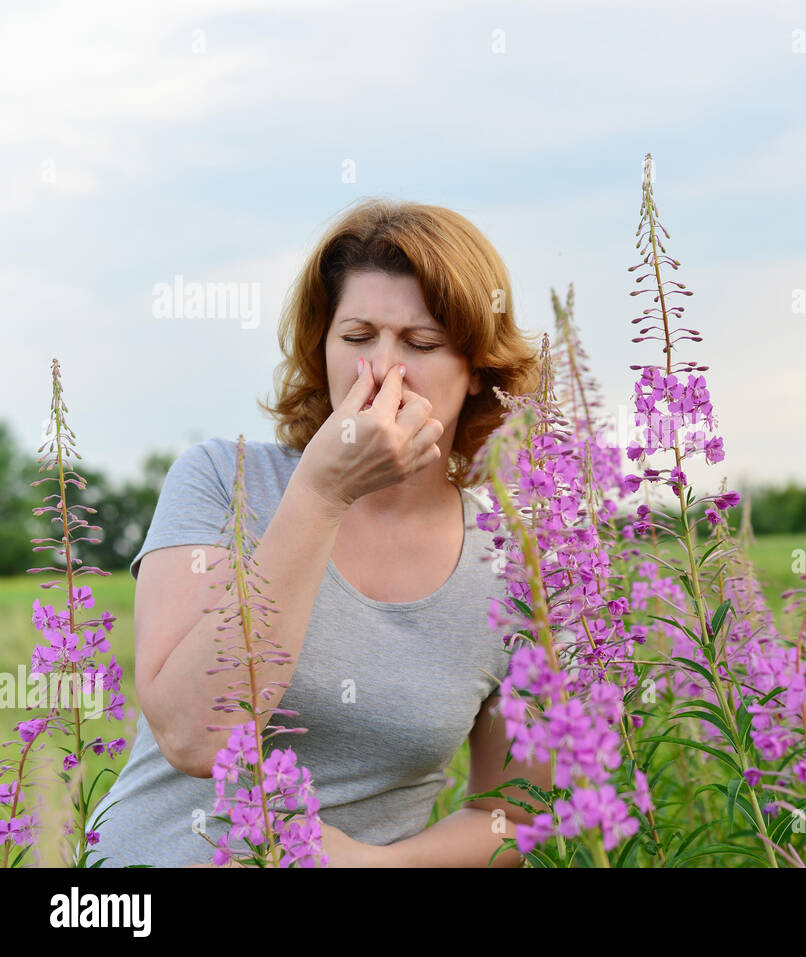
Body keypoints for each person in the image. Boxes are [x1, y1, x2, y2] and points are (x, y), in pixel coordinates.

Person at [91, 198, 549, 867]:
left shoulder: (515, 562)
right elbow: (194, 737)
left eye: (421, 343)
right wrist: (322, 492)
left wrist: (379, 864)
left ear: (477, 368)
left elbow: (516, 815)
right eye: (357, 337)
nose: (381, 370)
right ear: (322, 346)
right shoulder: (222, 479)